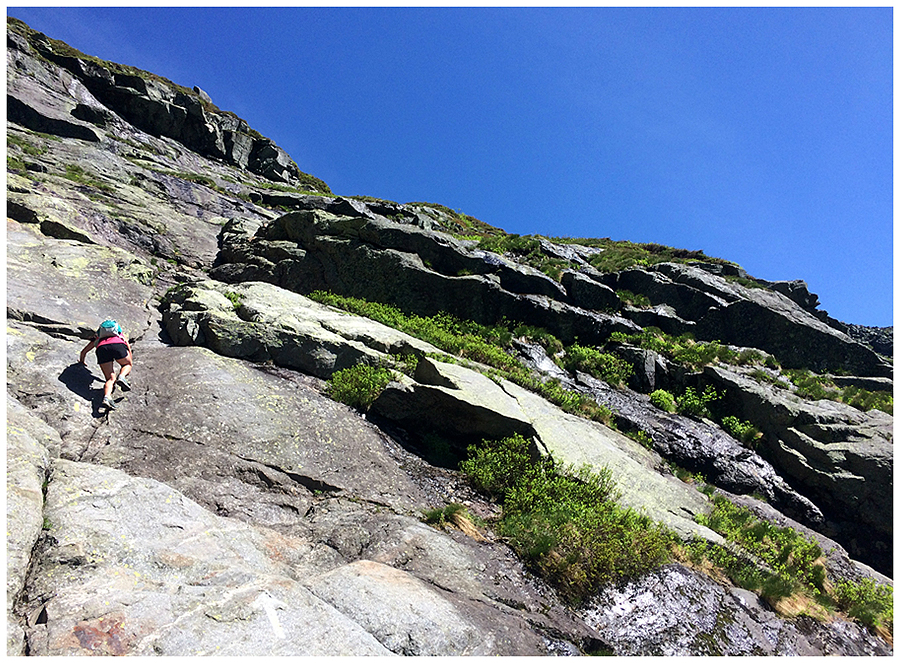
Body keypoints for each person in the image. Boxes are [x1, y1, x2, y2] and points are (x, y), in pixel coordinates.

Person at [79, 319, 133, 411]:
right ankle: (122, 376)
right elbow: (127, 344)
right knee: (127, 364)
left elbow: (84, 351)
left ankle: (107, 397)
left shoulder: (99, 337)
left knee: (110, 378)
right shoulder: (119, 334)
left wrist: (81, 361)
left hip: (101, 349)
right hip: (118, 345)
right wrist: (130, 360)